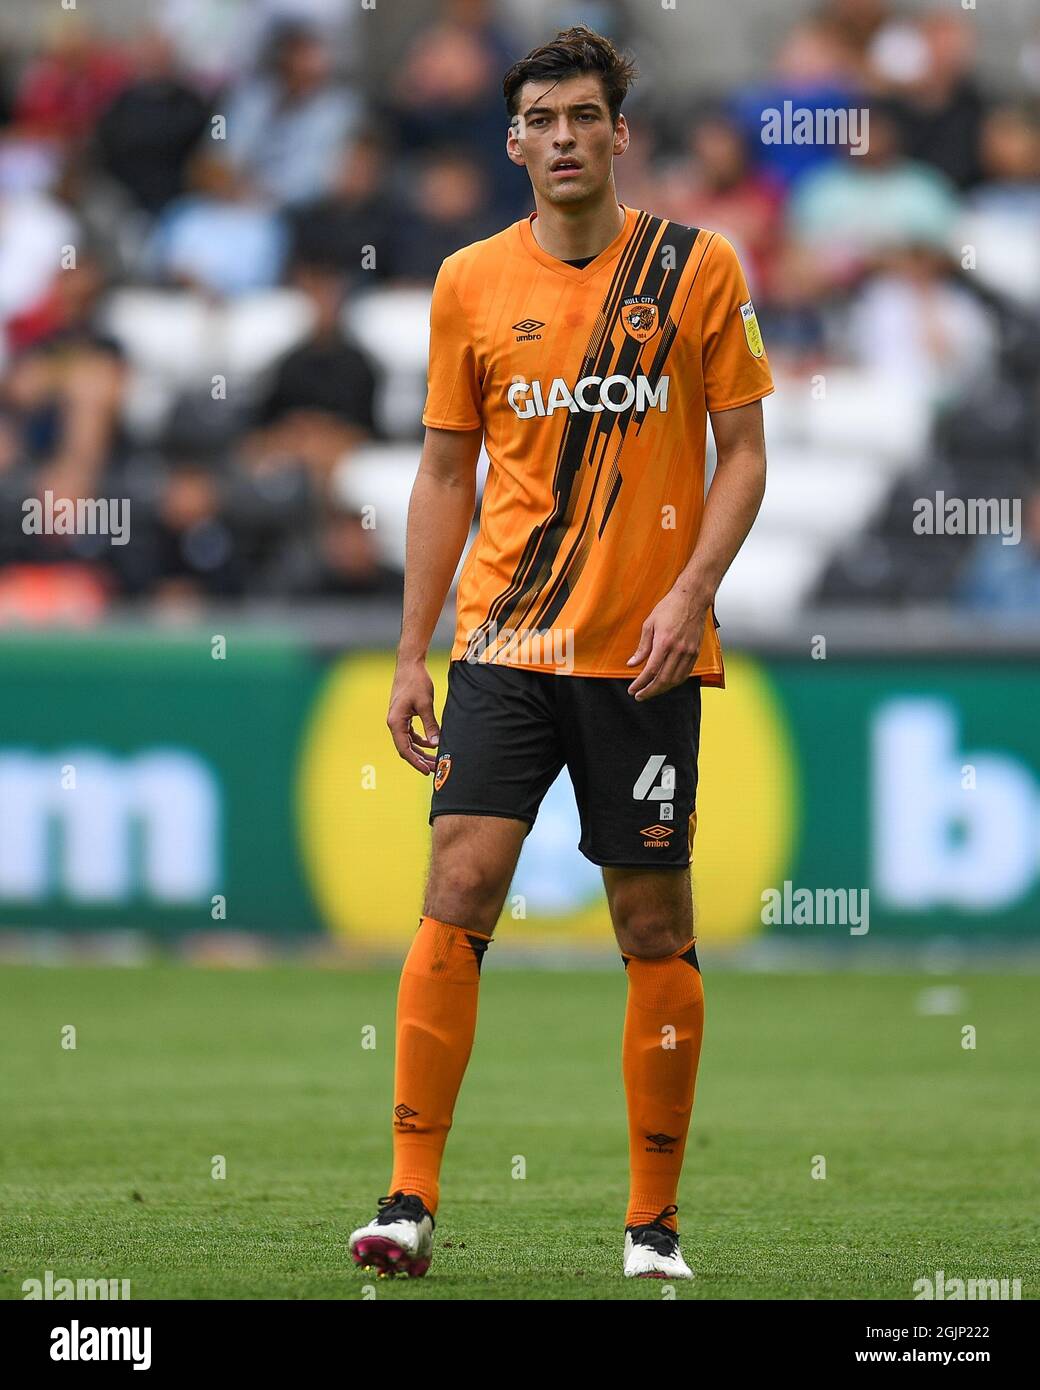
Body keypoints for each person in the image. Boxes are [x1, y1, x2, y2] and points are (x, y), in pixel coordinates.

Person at [349, 24, 773, 1281]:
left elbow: (743, 457)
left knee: (650, 921)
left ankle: (652, 1226)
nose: (565, 136)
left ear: (617, 132)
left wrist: (689, 591)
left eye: (585, 115)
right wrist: (411, 647)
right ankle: (408, 1199)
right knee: (461, 884)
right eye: (542, 118)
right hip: (503, 640)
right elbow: (442, 471)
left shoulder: (696, 269)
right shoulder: (468, 281)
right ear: (513, 139)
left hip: (641, 654)